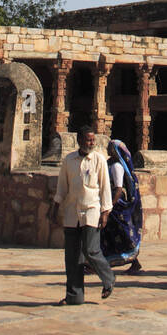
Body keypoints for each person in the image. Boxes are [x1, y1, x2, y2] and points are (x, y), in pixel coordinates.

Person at [51, 126, 115, 305]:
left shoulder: (98, 160)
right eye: (88, 140)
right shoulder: (69, 160)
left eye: (93, 140)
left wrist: (105, 212)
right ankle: (74, 295)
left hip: (91, 210)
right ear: (79, 141)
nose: (91, 143)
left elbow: (105, 188)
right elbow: (62, 186)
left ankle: (108, 278)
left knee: (90, 249)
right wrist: (55, 207)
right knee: (72, 256)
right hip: (72, 212)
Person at [100, 139, 143, 274]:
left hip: (115, 205)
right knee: (111, 235)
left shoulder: (117, 166)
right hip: (109, 202)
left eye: (110, 147)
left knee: (121, 234)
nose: (108, 148)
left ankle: (133, 261)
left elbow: (118, 188)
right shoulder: (109, 163)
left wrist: (110, 205)